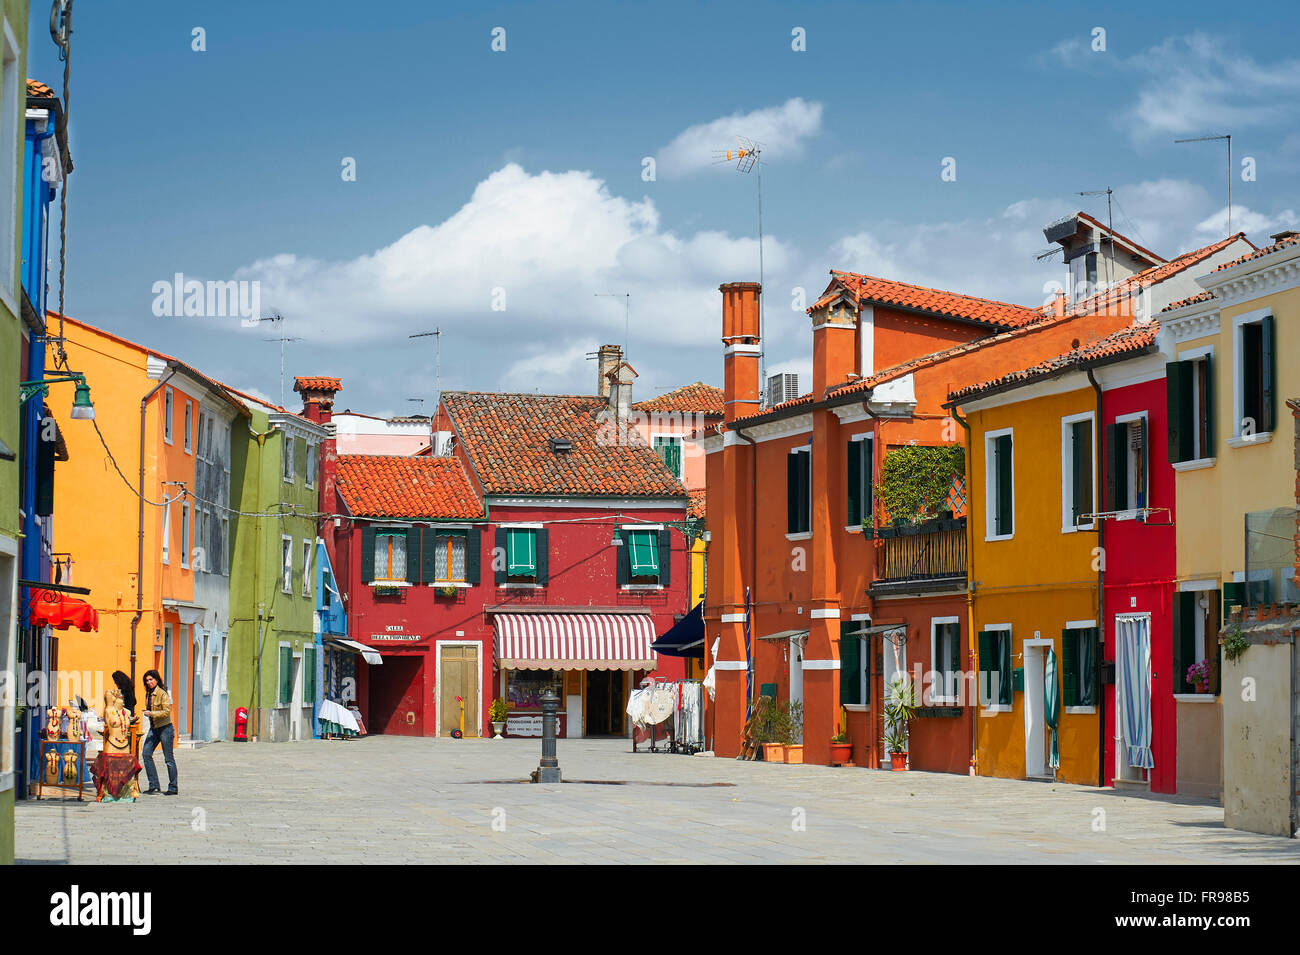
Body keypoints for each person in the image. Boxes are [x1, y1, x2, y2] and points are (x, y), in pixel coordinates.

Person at [140, 669, 177, 795]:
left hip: (165, 728)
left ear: (156, 680)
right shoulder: (148, 694)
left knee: (168, 758)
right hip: (154, 728)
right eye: (147, 680)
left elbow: (166, 711)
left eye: (151, 679)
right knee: (146, 753)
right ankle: (154, 785)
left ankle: (173, 787)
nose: (149, 682)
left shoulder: (162, 693)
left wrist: (152, 713)